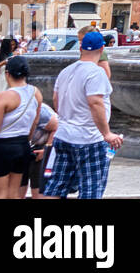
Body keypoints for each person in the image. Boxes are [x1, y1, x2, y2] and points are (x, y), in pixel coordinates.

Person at [44, 30, 123, 199]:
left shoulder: (65, 71)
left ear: (81, 48)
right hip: (89, 139)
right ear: (102, 49)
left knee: (56, 185)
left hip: (63, 136)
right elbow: (95, 103)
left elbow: (56, 99)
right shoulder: (96, 72)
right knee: (91, 190)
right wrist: (107, 134)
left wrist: (67, 119)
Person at [0, 55, 42, 198]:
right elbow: (34, 122)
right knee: (13, 194)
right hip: (22, 145)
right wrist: (25, 142)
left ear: (7, 74)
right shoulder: (36, 93)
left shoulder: (4, 96)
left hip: (1, 148)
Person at [18, 94, 57, 199]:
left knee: (38, 187)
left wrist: (46, 149)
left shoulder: (41, 111)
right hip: (21, 148)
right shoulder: (11, 110)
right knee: (18, 185)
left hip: (40, 147)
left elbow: (57, 127)